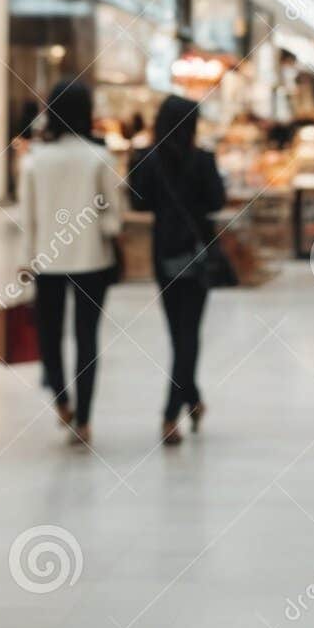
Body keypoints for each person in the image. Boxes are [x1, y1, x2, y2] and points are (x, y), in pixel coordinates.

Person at [18, 80, 123, 446]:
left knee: (50, 335)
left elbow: (26, 217)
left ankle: (62, 400)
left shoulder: (35, 159)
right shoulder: (100, 157)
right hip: (92, 259)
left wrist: (25, 259)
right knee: (86, 337)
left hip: (46, 259)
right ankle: (86, 419)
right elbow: (114, 217)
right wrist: (101, 226)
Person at [128, 95, 227, 446]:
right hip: (197, 252)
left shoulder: (146, 160)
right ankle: (178, 409)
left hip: (165, 252)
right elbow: (217, 200)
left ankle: (186, 404)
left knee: (177, 333)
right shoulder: (202, 159)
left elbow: (137, 200)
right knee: (189, 333)